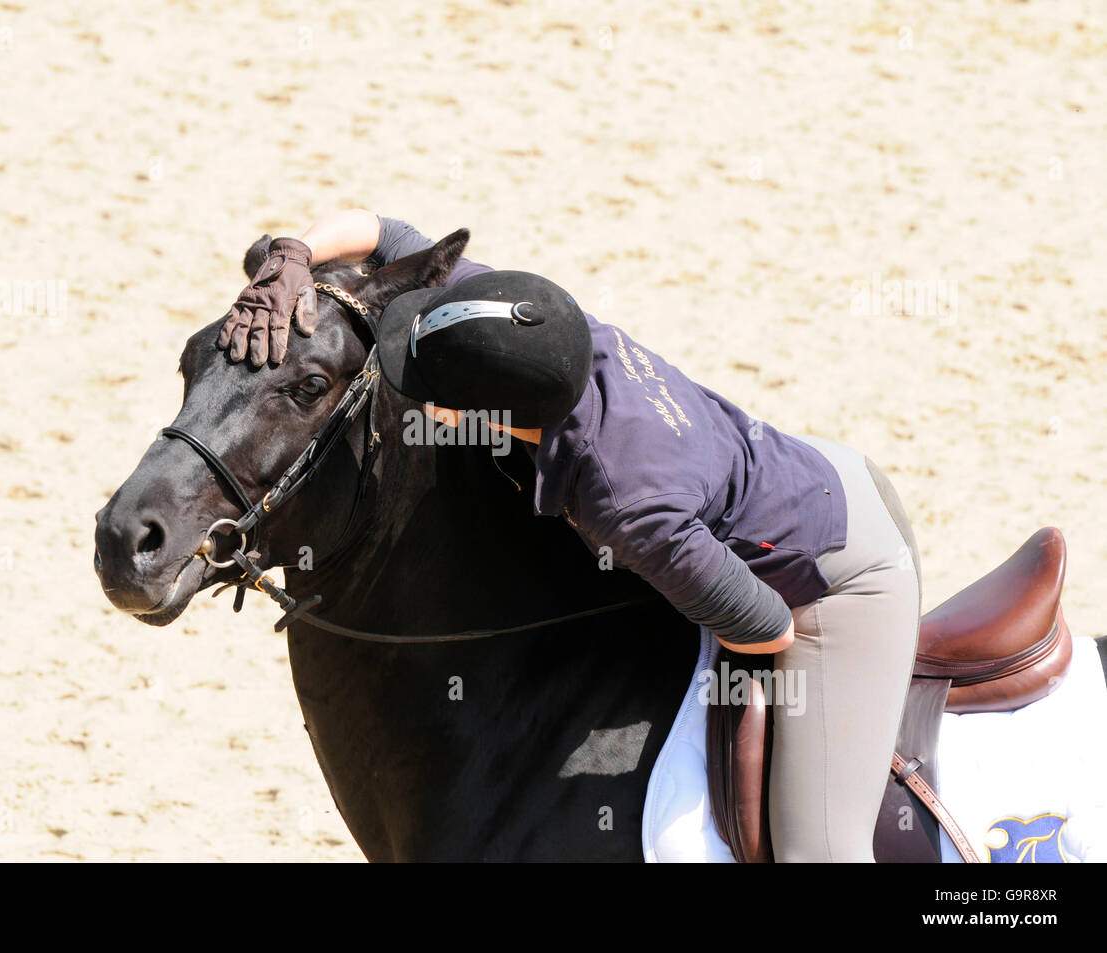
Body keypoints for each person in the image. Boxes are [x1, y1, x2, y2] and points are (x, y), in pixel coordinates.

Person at [217, 210, 922, 862]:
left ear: (485, 412)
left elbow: (766, 628)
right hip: (818, 469)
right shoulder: (530, 325)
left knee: (818, 853)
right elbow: (383, 230)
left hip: (851, 574)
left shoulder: (623, 504)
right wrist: (293, 255)